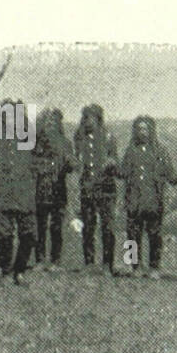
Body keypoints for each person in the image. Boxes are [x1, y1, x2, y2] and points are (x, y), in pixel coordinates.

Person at [0, 99, 38, 285]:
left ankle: (20, 270)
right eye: (5, 115)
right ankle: (6, 271)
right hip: (4, 193)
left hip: (25, 192)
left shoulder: (27, 135)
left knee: (29, 234)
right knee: (4, 234)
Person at [120, 115, 177, 278]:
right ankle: (133, 267)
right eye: (139, 129)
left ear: (151, 130)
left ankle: (154, 268)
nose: (142, 132)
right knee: (132, 235)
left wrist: (175, 178)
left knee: (155, 235)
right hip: (134, 201)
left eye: (145, 128)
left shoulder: (160, 151)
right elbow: (123, 172)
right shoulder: (131, 150)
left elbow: (171, 174)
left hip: (154, 201)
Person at [73, 103, 119, 275]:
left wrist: (111, 163)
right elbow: (77, 159)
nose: (88, 122)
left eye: (91, 118)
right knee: (88, 227)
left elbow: (114, 159)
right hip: (87, 189)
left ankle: (108, 264)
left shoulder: (108, 137)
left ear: (98, 119)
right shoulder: (80, 137)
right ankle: (89, 262)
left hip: (106, 189)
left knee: (107, 228)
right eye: (85, 118)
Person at [33, 108, 75, 272]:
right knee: (40, 226)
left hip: (58, 190)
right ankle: (39, 259)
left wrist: (69, 164)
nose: (50, 124)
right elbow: (32, 163)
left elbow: (73, 165)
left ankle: (55, 260)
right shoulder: (37, 143)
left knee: (57, 226)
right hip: (41, 189)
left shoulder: (65, 143)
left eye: (53, 121)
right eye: (47, 121)